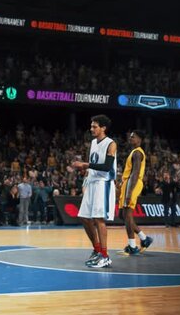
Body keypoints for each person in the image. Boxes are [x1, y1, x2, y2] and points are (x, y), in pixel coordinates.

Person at [72, 115, 117, 268]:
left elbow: (106, 167)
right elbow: (93, 164)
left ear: (103, 128)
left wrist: (85, 164)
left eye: (95, 126)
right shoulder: (92, 142)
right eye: (91, 126)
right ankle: (97, 250)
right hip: (91, 182)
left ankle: (105, 256)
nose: (91, 129)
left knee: (99, 219)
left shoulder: (111, 144)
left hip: (103, 183)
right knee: (84, 217)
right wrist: (85, 178)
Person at [117, 130, 153, 255]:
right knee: (122, 215)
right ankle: (144, 238)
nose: (130, 138)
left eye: (133, 137)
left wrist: (128, 193)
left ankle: (132, 246)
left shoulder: (137, 153)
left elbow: (135, 173)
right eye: (130, 136)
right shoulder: (134, 152)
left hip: (133, 183)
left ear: (140, 140)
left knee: (127, 215)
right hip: (128, 183)